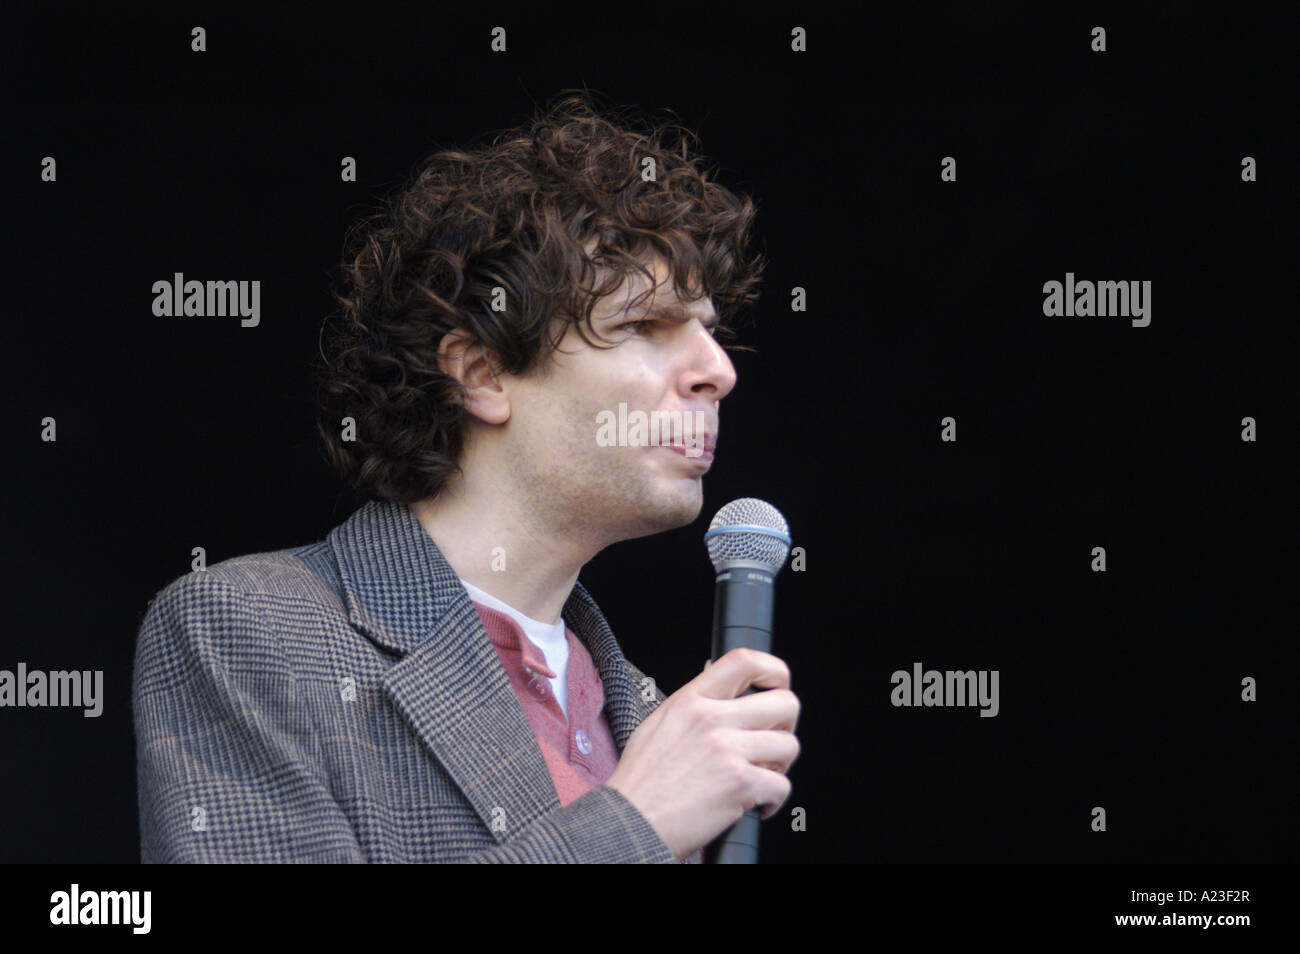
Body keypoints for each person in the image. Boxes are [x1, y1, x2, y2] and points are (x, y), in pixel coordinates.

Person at [132, 91, 800, 863]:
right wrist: (632, 824)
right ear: (482, 374)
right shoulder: (251, 630)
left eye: (711, 334)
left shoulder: (645, 710)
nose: (717, 371)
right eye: (643, 325)